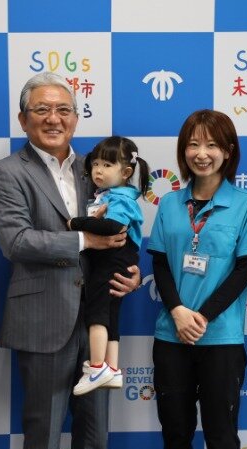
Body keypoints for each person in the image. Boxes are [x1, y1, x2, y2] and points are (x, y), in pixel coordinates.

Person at [0, 72, 147, 449]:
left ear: (76, 118)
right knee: (44, 428)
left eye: (63, 110)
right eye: (42, 110)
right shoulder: (5, 172)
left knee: (96, 426)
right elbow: (16, 241)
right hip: (43, 313)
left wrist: (133, 271)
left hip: (98, 311)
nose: (53, 119)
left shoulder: (95, 167)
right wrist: (84, 240)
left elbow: (123, 227)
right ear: (23, 119)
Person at [148, 110, 247, 449]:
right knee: (176, 429)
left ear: (228, 152)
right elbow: (161, 263)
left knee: (220, 430)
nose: (202, 153)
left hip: (221, 338)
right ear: (184, 151)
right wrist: (178, 312)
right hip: (171, 335)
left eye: (212, 145)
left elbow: (243, 269)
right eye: (194, 144)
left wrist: (203, 316)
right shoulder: (170, 203)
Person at [67, 136, 148, 395]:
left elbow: (113, 227)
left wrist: (76, 223)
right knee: (111, 315)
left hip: (114, 259)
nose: (98, 171)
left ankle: (97, 367)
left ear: (126, 173)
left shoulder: (119, 198)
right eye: (95, 164)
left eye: (107, 165)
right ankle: (112, 369)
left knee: (98, 314)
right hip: (116, 259)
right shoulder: (109, 195)